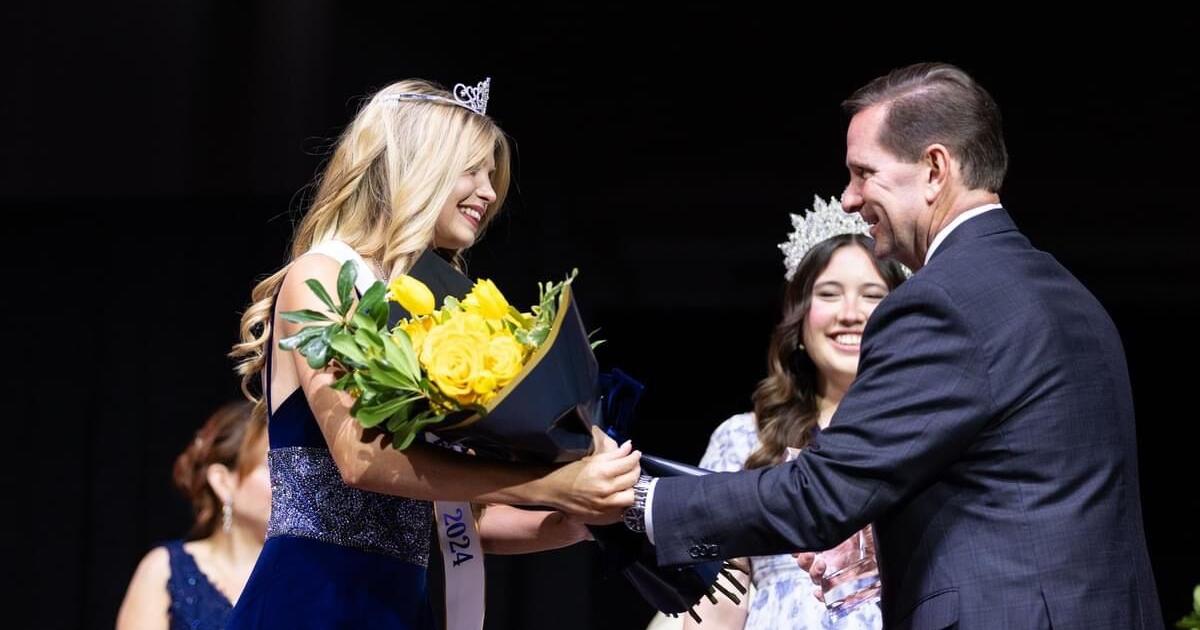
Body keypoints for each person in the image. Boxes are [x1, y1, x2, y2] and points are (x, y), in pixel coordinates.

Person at [621, 62, 1163, 628]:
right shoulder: (1072, 297)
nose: (849, 199)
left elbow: (820, 494)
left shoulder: (942, 300)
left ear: (934, 169)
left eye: (863, 173)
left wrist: (636, 503)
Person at [226, 78, 638, 629]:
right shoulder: (321, 276)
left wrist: (579, 518)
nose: (490, 193)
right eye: (472, 170)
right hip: (313, 601)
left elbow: (455, 522)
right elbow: (359, 460)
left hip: (401, 609)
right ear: (413, 167)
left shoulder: (443, 309)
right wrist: (550, 486)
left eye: (491, 176)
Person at [685, 217, 905, 629]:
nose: (851, 314)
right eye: (829, 294)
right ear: (801, 318)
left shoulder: (926, 435)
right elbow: (722, 586)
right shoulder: (743, 438)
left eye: (873, 295)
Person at [116, 400, 269, 630]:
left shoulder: (306, 573)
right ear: (222, 481)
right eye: (274, 466)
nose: (294, 481)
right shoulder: (165, 569)